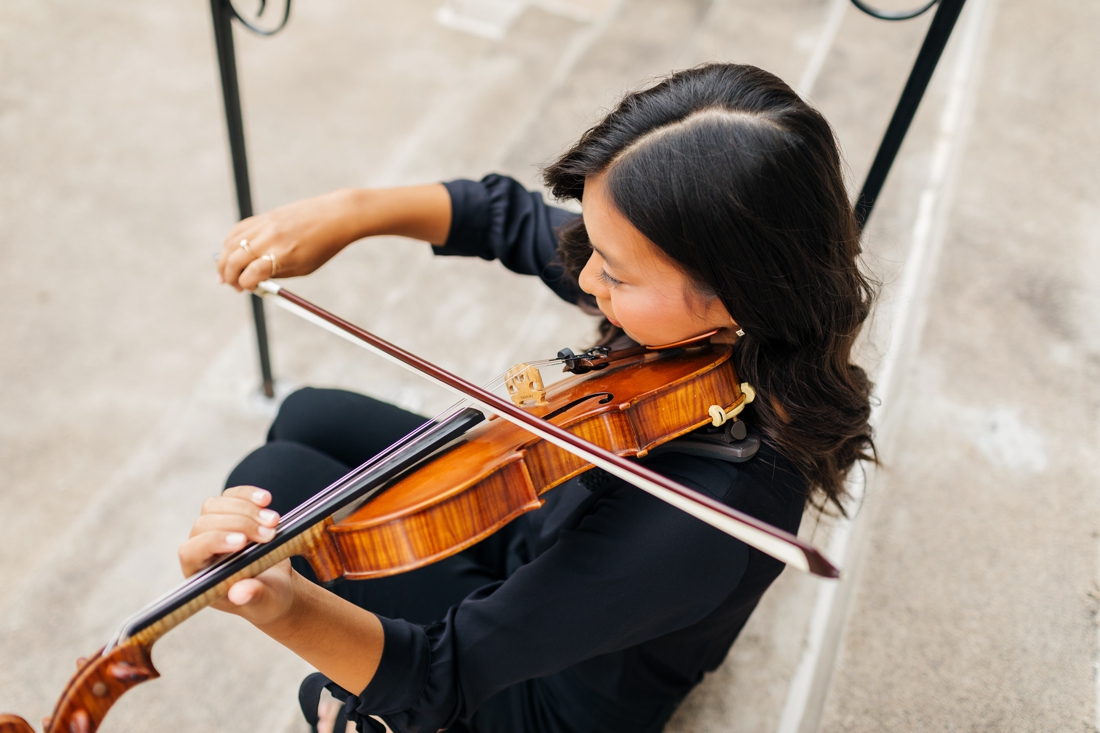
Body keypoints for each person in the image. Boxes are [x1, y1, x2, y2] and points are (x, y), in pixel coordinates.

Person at [181, 63, 876, 733]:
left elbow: (441, 674)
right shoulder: (721, 328)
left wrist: (281, 605)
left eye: (618, 273)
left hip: (550, 695)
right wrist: (347, 214)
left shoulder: (708, 520)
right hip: (556, 532)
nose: (588, 274)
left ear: (737, 294)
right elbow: (499, 215)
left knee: (272, 482)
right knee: (308, 414)